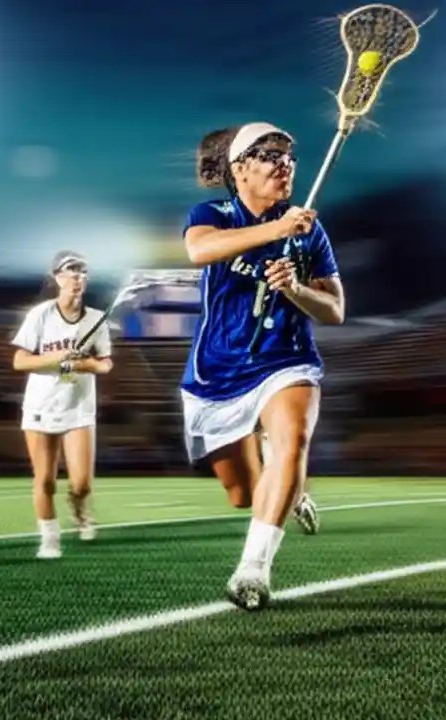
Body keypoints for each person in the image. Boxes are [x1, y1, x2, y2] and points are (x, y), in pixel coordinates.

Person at [182, 122, 344, 610]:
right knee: (243, 496)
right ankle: (290, 488)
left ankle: (253, 570)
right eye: (270, 155)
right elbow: (199, 249)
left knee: (291, 438)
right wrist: (276, 229)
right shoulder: (214, 212)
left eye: (289, 156)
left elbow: (334, 310)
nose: (284, 164)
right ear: (239, 169)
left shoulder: (309, 231)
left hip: (285, 359)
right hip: (218, 372)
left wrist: (296, 290)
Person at [11, 251, 113, 559]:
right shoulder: (40, 315)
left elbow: (106, 364)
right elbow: (19, 361)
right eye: (71, 272)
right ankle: (49, 538)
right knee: (44, 479)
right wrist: (58, 358)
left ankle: (80, 509)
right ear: (58, 278)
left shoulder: (96, 320)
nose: (78, 278)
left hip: (78, 408)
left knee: (81, 483)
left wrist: (85, 365)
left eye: (83, 273)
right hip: (41, 406)